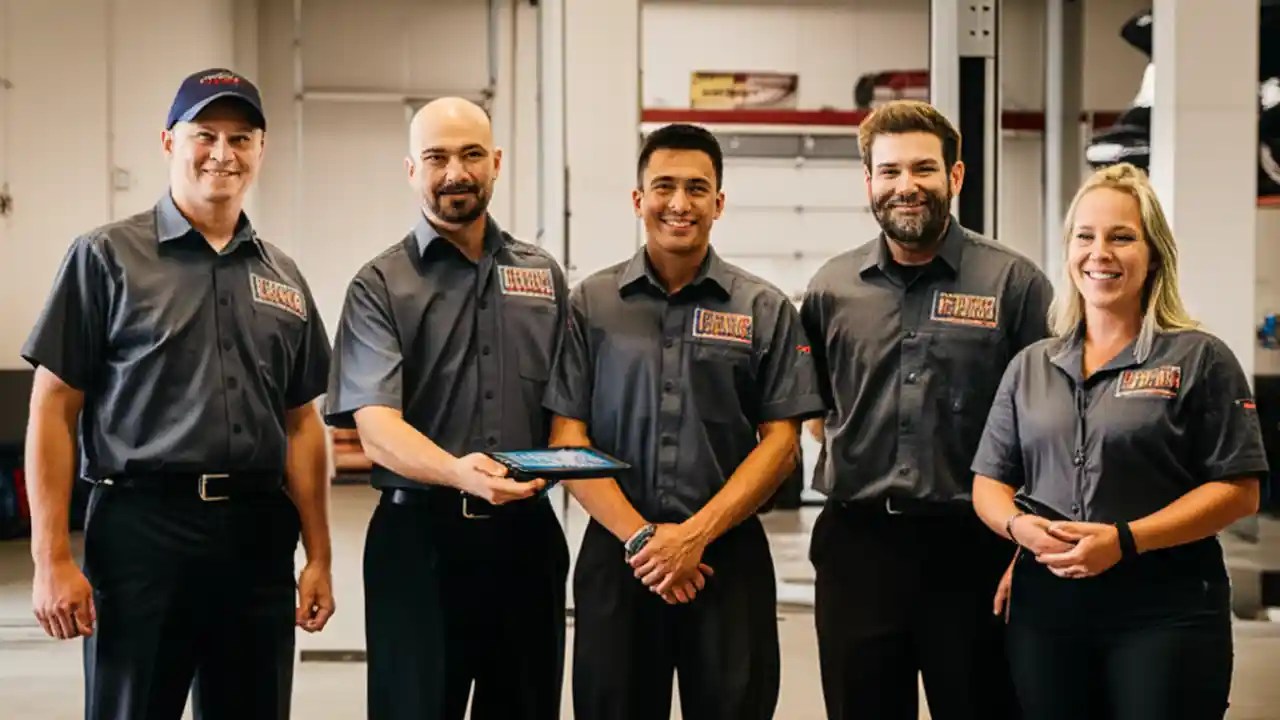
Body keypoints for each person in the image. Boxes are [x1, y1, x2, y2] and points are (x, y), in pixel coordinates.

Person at [23, 68, 335, 719]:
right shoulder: (105, 257)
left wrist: (320, 556)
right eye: (205, 135)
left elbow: (303, 424)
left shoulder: (283, 276)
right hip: (143, 532)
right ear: (168, 142)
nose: (222, 153)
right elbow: (53, 407)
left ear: (260, 150)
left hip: (256, 535)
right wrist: (50, 556)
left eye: (240, 138)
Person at [544, 123, 826, 720]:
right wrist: (647, 542)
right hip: (618, 558)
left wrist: (694, 535)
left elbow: (781, 442)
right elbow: (567, 438)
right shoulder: (589, 305)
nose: (679, 203)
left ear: (718, 202)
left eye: (697, 188)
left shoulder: (763, 309)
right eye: (663, 186)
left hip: (728, 560)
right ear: (637, 198)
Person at [970, 162, 1265, 720]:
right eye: (1085, 236)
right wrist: (1018, 528)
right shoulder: (1031, 365)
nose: (1099, 252)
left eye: (1121, 236)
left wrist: (1125, 540)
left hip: (1165, 606)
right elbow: (990, 480)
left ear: (1153, 254)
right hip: (1047, 609)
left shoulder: (1200, 359)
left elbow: (1238, 489)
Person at [799, 99, 1055, 720]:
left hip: (973, 547)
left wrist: (1027, 547)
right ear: (868, 182)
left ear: (955, 177)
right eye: (888, 172)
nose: (905, 186)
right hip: (858, 548)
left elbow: (1052, 427)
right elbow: (816, 410)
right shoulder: (832, 288)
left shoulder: (1014, 285)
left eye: (923, 169)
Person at [324, 97, 570, 720]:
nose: (455, 171)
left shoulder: (542, 277)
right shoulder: (379, 285)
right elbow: (376, 430)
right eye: (436, 156)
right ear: (412, 170)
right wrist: (463, 473)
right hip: (419, 544)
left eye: (470, 155)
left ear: (496, 163)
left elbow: (569, 407)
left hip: (527, 541)